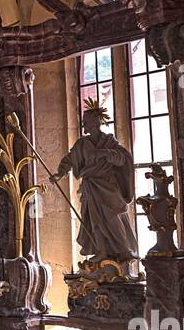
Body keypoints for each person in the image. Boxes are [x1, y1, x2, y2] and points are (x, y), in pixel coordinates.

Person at [52, 99, 138, 262]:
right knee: (94, 220)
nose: (84, 126)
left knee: (113, 217)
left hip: (109, 187)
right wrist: (59, 173)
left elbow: (122, 159)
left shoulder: (110, 142)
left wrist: (106, 153)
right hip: (91, 187)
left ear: (95, 123)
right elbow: (69, 159)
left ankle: (124, 249)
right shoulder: (82, 144)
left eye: (86, 123)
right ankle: (102, 251)